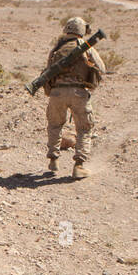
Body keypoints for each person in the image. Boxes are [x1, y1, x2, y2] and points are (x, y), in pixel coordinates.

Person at [42, 16, 104, 178]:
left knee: (55, 125)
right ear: (82, 30)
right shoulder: (85, 46)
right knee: (84, 128)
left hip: (56, 93)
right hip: (78, 93)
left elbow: (47, 71)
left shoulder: (57, 48)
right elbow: (101, 68)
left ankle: (53, 159)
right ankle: (79, 165)